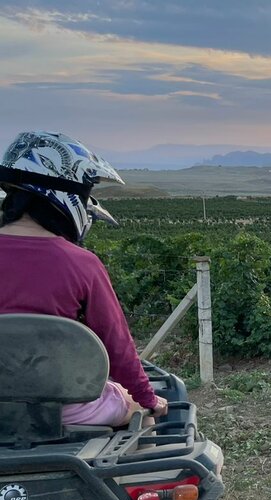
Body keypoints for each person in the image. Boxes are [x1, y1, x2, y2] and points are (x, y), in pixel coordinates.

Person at [0, 131, 168, 426]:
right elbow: (117, 345)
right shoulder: (81, 264)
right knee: (141, 417)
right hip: (63, 406)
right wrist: (148, 400)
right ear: (68, 195)